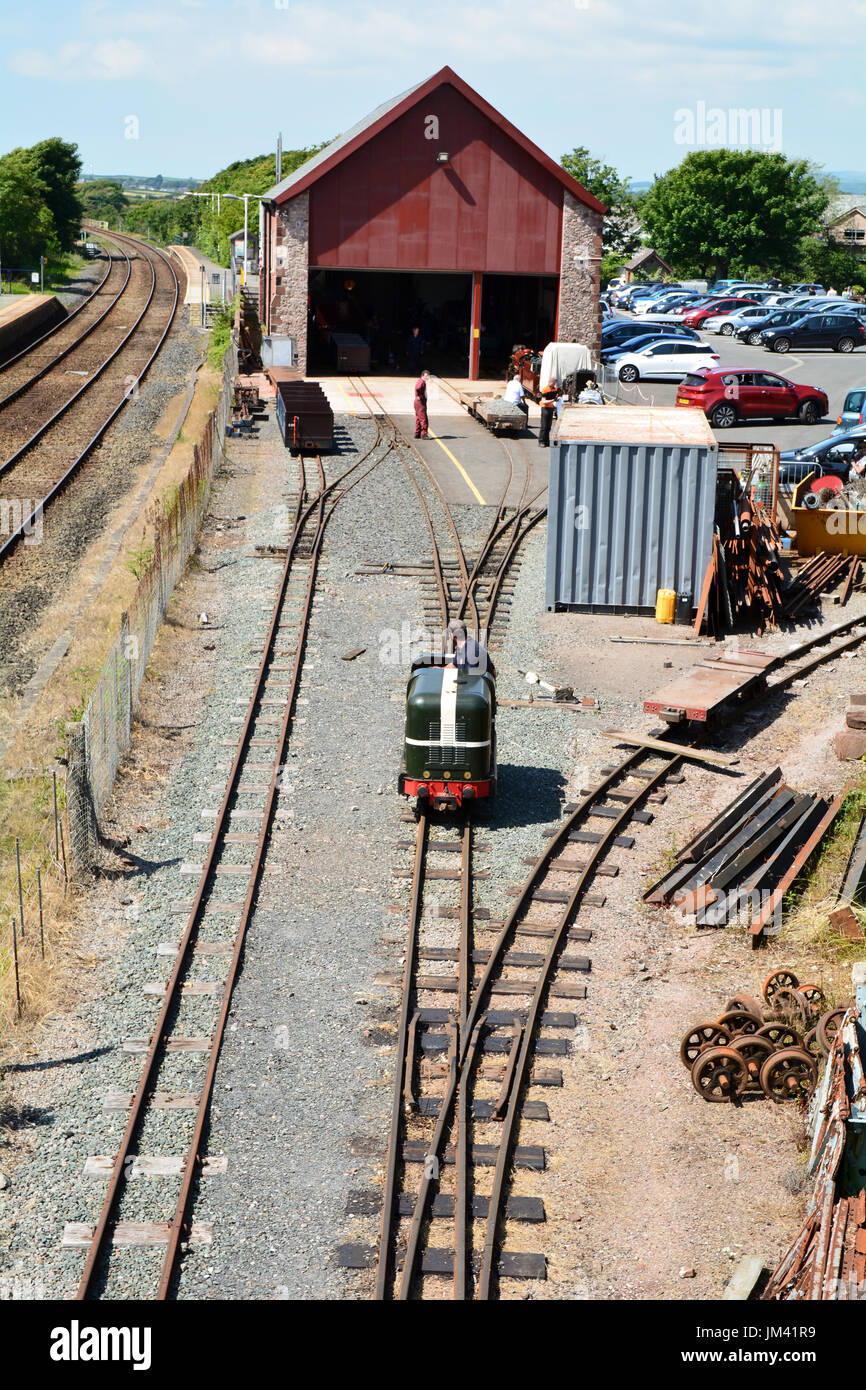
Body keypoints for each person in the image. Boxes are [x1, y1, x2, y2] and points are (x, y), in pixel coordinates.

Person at [538, 380, 558, 448]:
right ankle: (541, 441)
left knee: (549, 426)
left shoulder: (555, 388)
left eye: (555, 383)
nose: (554, 384)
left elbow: (556, 396)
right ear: (550, 382)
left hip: (551, 408)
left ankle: (546, 441)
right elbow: (544, 401)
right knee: (544, 425)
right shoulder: (545, 389)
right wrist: (553, 400)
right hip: (545, 408)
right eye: (553, 383)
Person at [414, 369, 430, 439]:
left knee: (418, 418)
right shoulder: (421, 382)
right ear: (422, 376)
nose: (427, 378)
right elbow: (418, 388)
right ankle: (424, 434)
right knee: (423, 419)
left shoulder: (420, 381)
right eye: (426, 376)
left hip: (418, 403)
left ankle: (417, 434)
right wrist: (418, 395)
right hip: (420, 403)